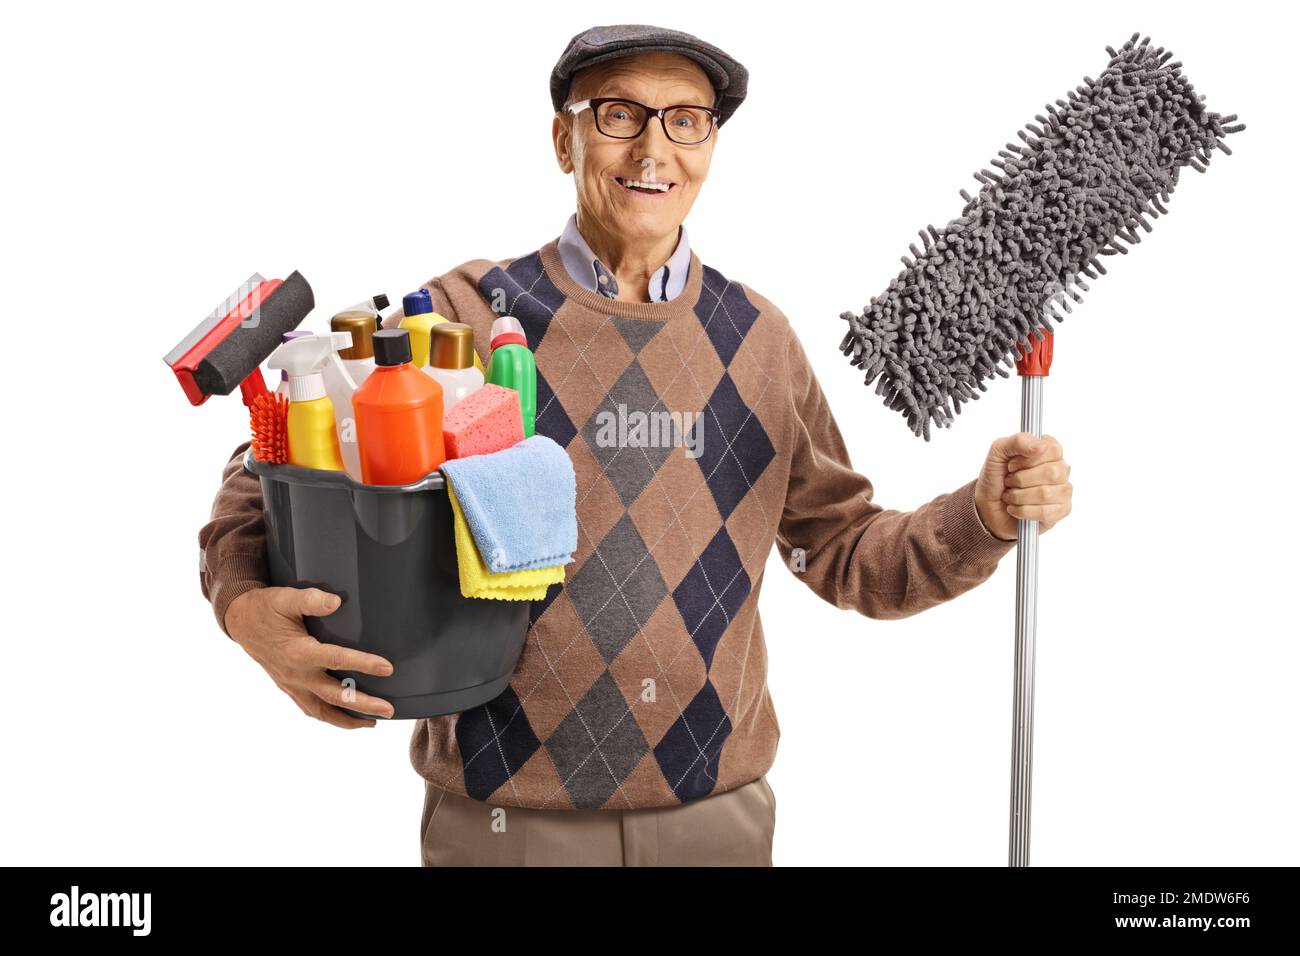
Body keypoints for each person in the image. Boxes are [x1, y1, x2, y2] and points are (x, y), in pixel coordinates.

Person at [199, 24, 1073, 867]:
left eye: (686, 120)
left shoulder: (759, 340)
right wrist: (244, 607)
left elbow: (843, 553)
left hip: (715, 824)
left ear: (710, 145)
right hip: (501, 825)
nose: (653, 149)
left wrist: (984, 518)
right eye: (617, 113)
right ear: (561, 139)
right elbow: (271, 465)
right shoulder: (458, 319)